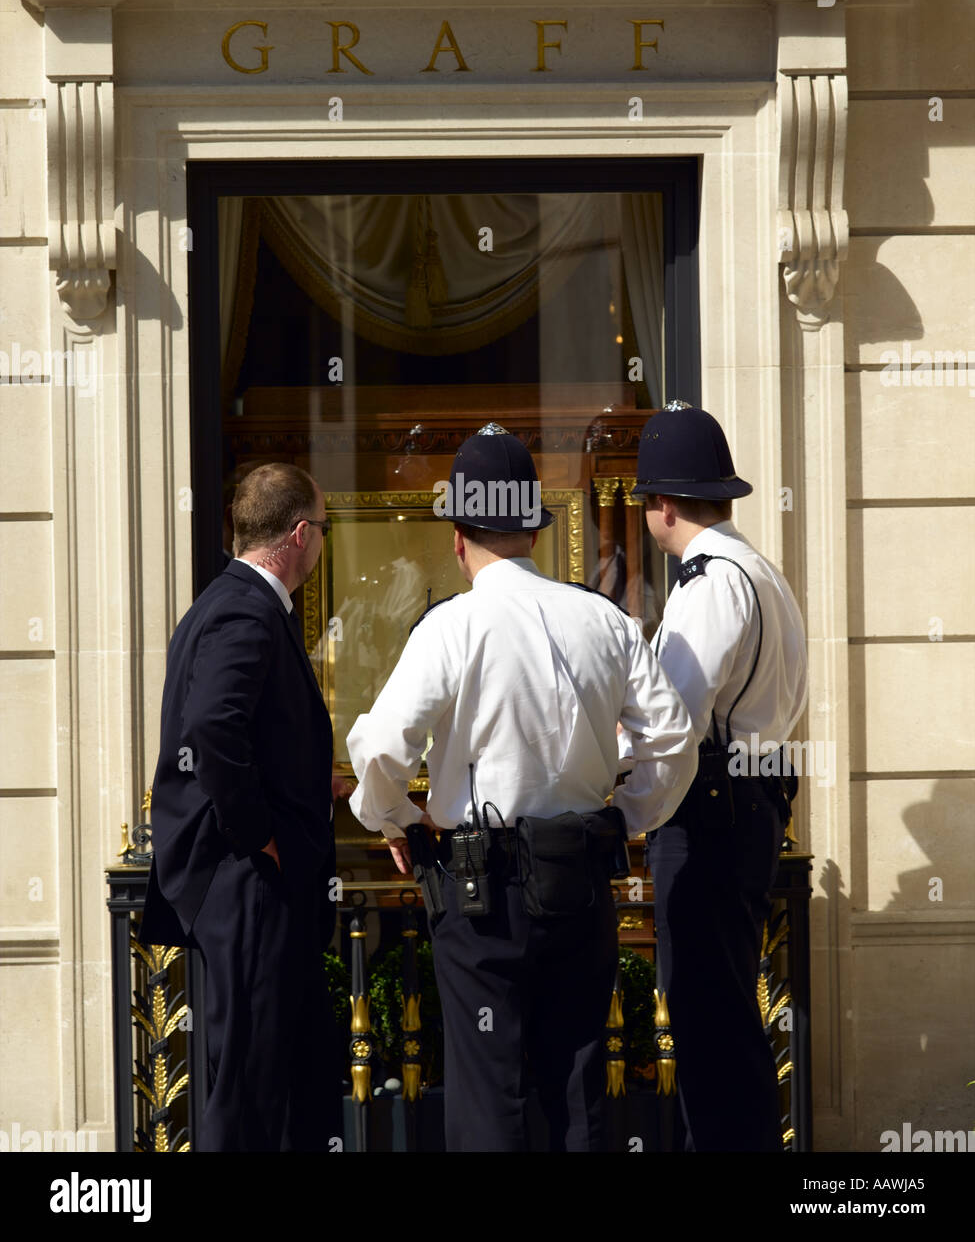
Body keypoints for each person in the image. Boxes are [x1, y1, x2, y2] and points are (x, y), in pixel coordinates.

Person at [347, 424, 696, 1151]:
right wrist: (627, 817)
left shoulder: (451, 625)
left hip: (483, 895)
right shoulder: (604, 619)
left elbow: (381, 746)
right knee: (575, 1086)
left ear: (456, 535)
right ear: (536, 529)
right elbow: (673, 737)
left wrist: (397, 823)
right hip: (578, 877)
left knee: (487, 1090)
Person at [139, 462, 341, 1151]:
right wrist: (262, 835)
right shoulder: (243, 608)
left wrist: (316, 782)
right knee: (251, 1087)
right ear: (300, 533)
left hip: (242, 879)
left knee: (271, 1078)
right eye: (323, 528)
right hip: (246, 879)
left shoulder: (226, 602)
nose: (322, 544)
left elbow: (242, 730)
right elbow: (213, 726)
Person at [625, 401, 808, 1152]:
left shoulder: (709, 586)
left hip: (707, 819)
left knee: (708, 1026)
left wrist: (626, 811)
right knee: (727, 1021)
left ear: (661, 504)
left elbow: (670, 721)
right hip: (747, 804)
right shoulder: (760, 573)